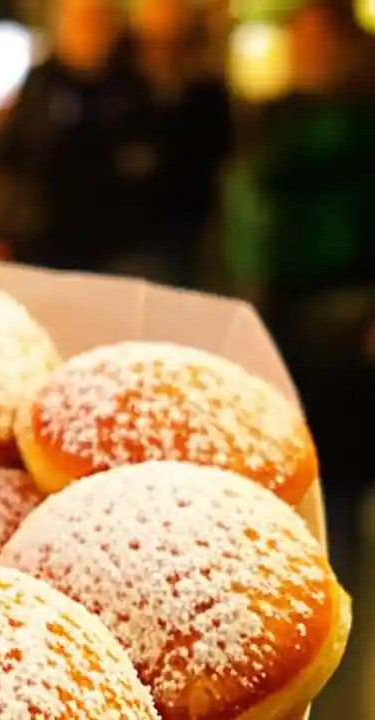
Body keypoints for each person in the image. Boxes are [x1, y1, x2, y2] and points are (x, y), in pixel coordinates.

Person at [225, 0, 375, 592]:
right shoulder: (282, 112)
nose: (300, 48)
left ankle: (337, 600)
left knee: (337, 473)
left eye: (311, 37)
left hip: (346, 309)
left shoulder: (360, 116)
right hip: (280, 308)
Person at [0, 0, 153, 272]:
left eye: (94, 20)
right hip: (37, 238)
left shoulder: (133, 87)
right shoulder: (41, 81)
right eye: (76, 19)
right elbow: (11, 153)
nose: (85, 30)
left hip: (110, 244)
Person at [126, 0, 232, 287]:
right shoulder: (122, 77)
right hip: (123, 227)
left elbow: (218, 150)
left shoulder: (204, 86)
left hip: (181, 225)